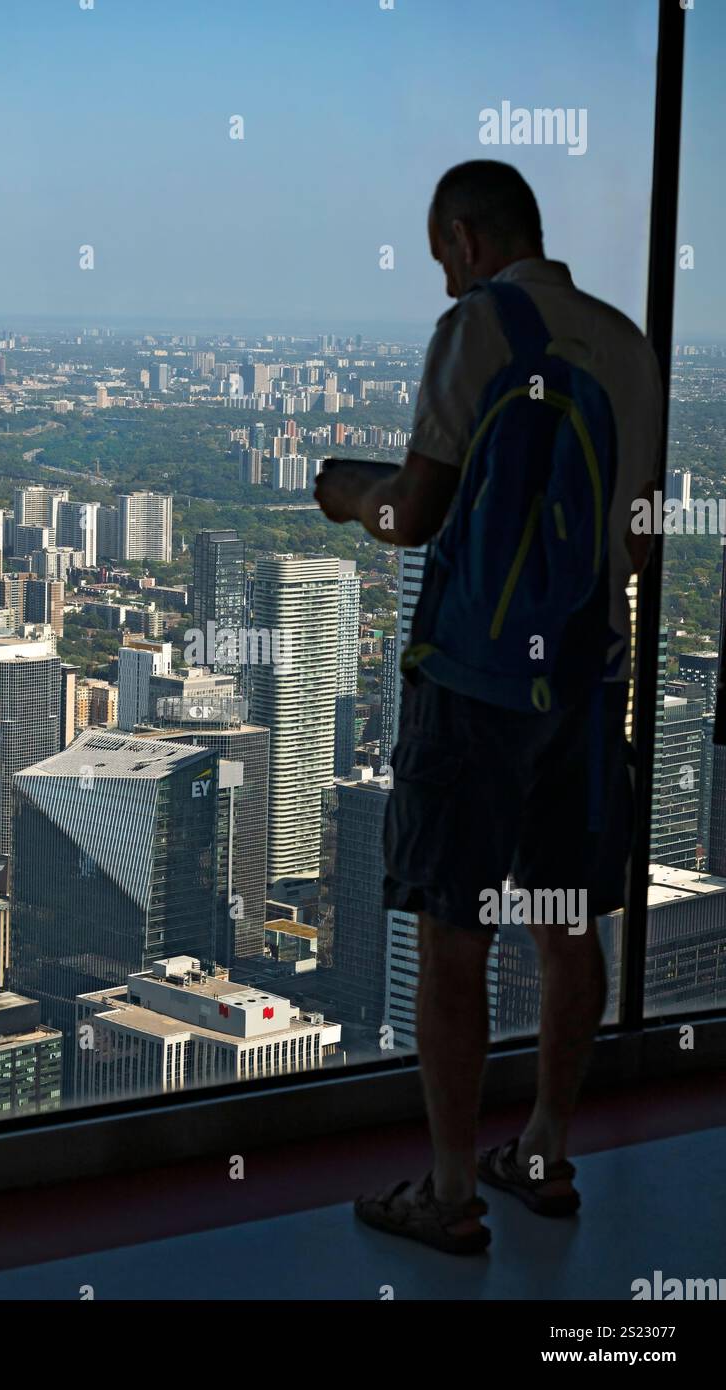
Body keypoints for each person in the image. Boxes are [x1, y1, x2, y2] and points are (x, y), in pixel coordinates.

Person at [314, 159, 662, 1256]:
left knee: (454, 933)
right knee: (569, 921)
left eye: (439, 258)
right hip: (588, 680)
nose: (444, 279)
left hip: (475, 690)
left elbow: (409, 515)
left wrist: (344, 492)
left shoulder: (479, 328)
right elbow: (643, 538)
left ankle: (452, 1190)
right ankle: (546, 1153)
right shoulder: (631, 346)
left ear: (466, 240)